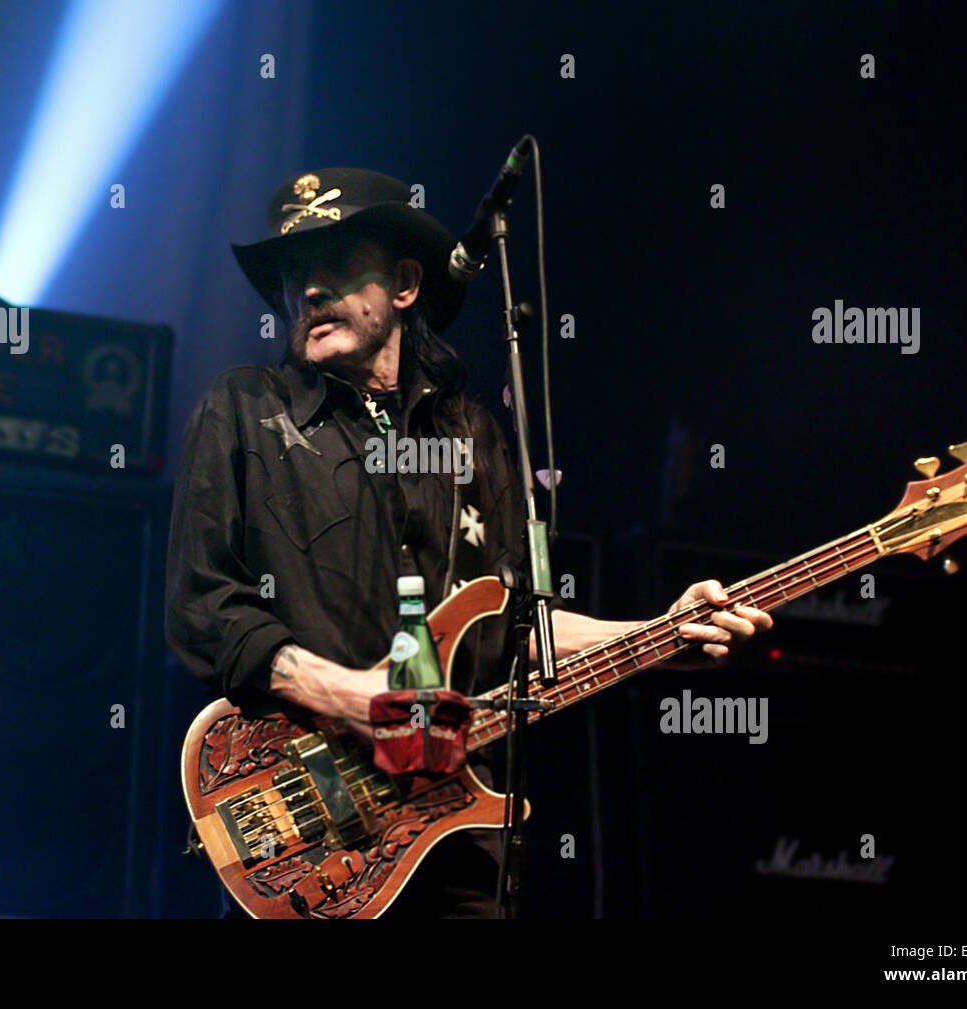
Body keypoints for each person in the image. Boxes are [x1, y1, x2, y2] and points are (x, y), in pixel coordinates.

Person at [165, 166, 773, 917]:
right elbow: (201, 607)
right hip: (313, 825)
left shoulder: (473, 437)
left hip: (457, 837)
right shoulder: (244, 410)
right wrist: (347, 694)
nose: (308, 290)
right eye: (294, 273)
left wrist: (658, 632)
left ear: (406, 284)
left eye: (334, 263)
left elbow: (519, 628)